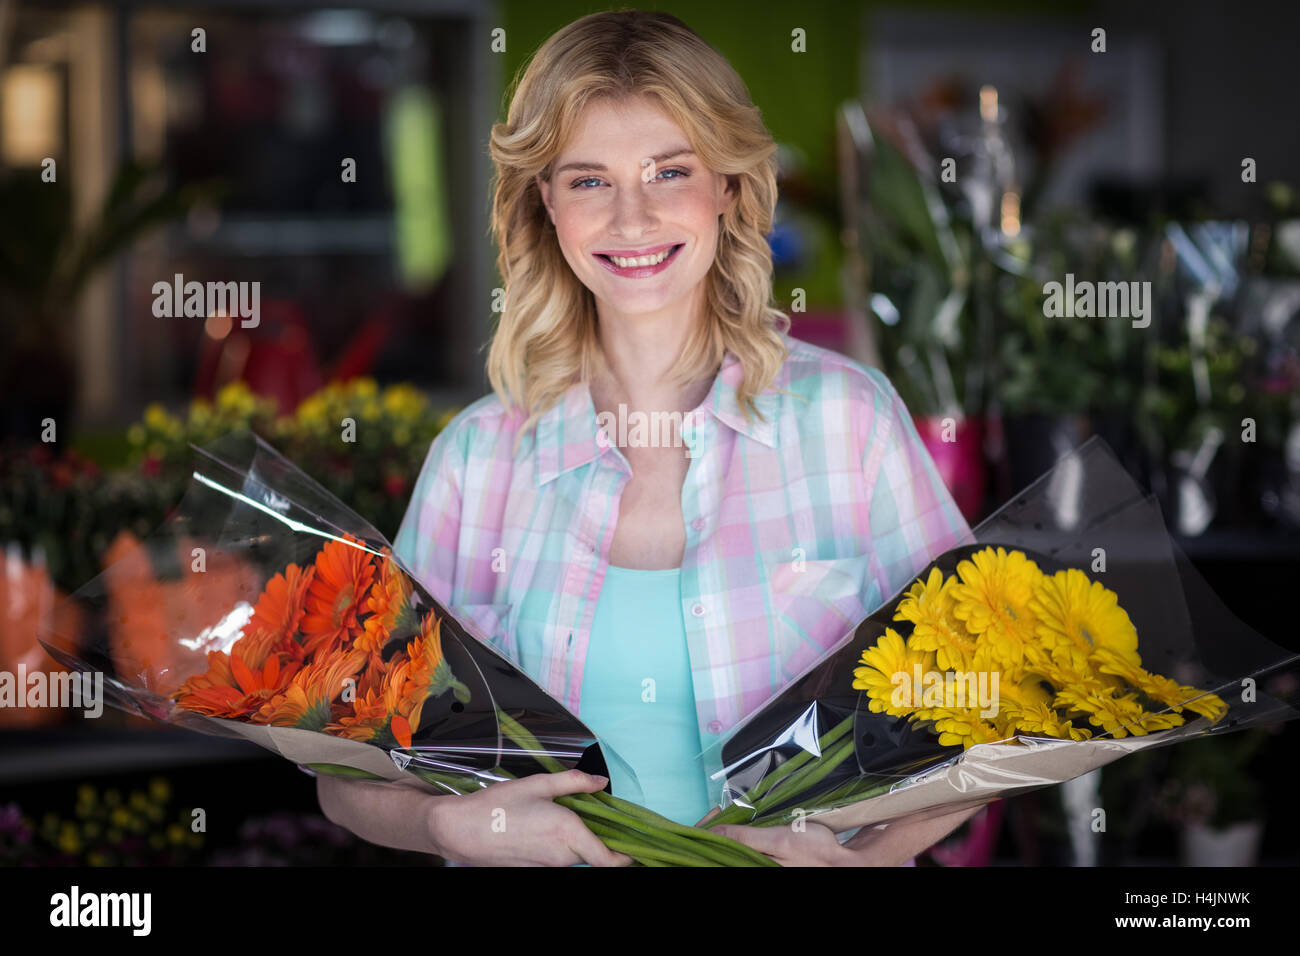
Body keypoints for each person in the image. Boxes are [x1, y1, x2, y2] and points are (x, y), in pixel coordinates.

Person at [317, 9, 984, 867]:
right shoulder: (476, 462)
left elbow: (982, 712)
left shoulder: (850, 422)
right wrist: (449, 827)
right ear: (545, 200)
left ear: (729, 187)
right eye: (589, 180)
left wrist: (867, 862)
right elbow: (348, 768)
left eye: (670, 172)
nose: (632, 219)